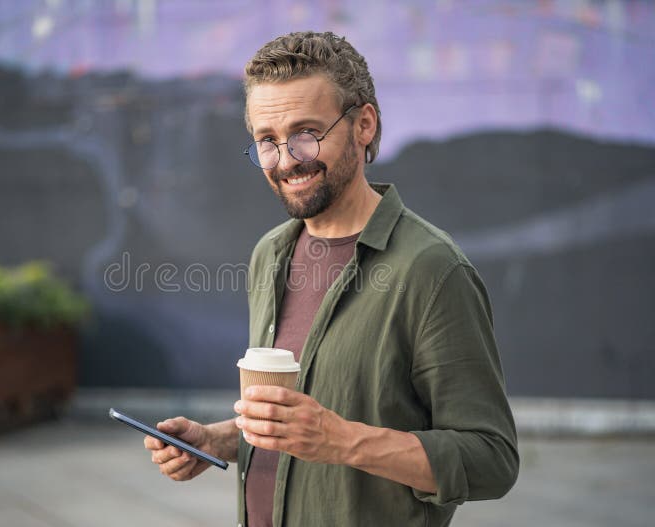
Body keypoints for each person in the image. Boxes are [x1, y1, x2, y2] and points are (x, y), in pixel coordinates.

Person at [144, 31, 519, 527]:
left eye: (306, 133)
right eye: (267, 141)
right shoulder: (269, 254)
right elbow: (304, 419)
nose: (286, 160)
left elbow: (491, 459)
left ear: (364, 124)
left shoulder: (433, 269)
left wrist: (341, 440)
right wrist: (219, 440)